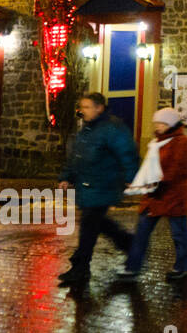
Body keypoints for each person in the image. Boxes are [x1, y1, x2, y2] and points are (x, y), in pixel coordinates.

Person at [57, 93, 140, 286]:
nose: (82, 111)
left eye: (86, 107)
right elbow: (77, 156)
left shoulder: (112, 128)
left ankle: (80, 268)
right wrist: (66, 177)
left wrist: (131, 177)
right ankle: (130, 244)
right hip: (88, 187)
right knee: (98, 225)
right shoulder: (87, 130)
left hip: (104, 186)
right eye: (82, 107)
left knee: (89, 228)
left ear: (99, 108)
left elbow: (127, 153)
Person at [117, 108, 187, 283]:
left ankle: (183, 267)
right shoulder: (156, 143)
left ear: (171, 124)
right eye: (157, 123)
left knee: (179, 233)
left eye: (162, 123)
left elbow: (177, 169)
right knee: (142, 231)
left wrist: (156, 184)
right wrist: (141, 182)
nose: (158, 127)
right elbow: (148, 168)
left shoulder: (181, 142)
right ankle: (132, 266)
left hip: (174, 195)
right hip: (155, 195)